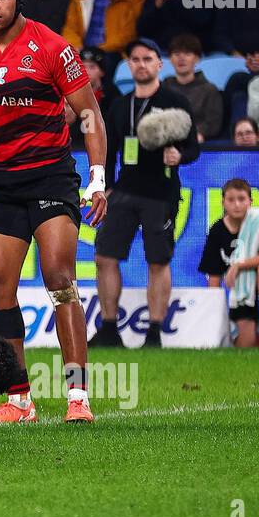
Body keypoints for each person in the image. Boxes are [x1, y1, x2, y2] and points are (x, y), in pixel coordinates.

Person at [0, 0, 109, 423]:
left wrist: (97, 178)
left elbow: (90, 116)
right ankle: (19, 399)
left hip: (51, 178)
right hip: (0, 181)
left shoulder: (52, 48)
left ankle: (78, 396)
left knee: (59, 279)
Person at [93, 37, 200, 348]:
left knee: (158, 261)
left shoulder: (176, 102)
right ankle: (110, 328)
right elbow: (109, 148)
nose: (141, 64)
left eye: (147, 59)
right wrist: (107, 185)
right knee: (104, 257)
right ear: (129, 65)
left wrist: (180, 156)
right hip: (124, 191)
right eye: (136, 59)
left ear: (158, 64)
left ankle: (154, 332)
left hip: (161, 192)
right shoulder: (118, 105)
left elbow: (193, 147)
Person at [199, 178, 259, 347]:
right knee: (245, 345)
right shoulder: (217, 231)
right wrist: (217, 315)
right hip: (239, 294)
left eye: (241, 199)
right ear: (223, 202)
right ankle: (251, 332)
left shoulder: (258, 221)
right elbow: (214, 277)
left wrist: (238, 265)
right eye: (231, 200)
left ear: (250, 202)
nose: (236, 205)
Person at [168, 35, 223, 141]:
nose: (181, 58)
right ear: (170, 59)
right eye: (176, 54)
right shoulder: (163, 88)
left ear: (197, 59)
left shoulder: (210, 90)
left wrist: (191, 134)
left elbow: (213, 124)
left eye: (187, 54)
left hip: (197, 141)